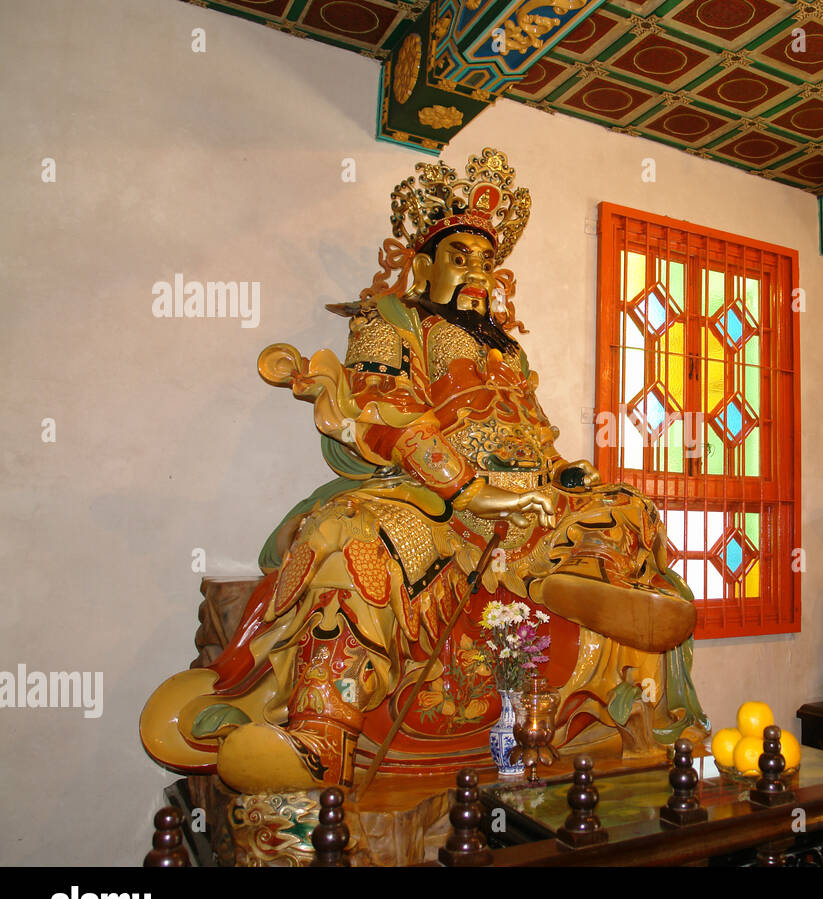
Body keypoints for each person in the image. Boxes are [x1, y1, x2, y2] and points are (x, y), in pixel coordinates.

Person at [141, 148, 705, 792]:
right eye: (460, 256)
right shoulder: (389, 323)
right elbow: (391, 419)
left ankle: (546, 585)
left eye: (486, 262)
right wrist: (474, 490)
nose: (476, 273)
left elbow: (532, 433)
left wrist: (560, 477)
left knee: (630, 506)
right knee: (355, 540)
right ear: (424, 260)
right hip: (433, 500)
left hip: (531, 499)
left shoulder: (506, 350)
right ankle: (322, 732)